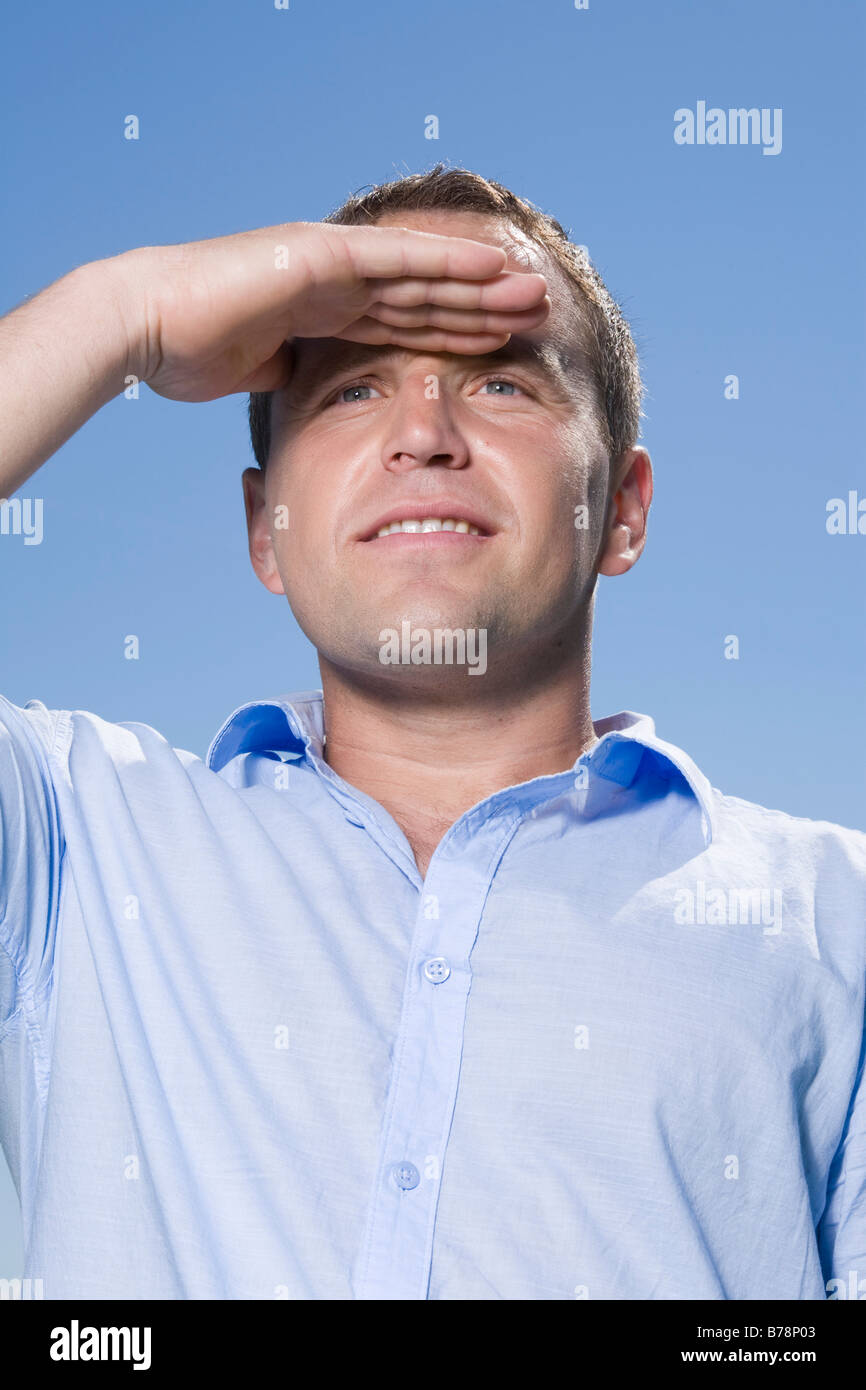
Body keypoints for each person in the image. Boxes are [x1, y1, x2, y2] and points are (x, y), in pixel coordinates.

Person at [0, 166, 863, 1301]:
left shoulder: (834, 919)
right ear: (264, 527)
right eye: (352, 389)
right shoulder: (70, 840)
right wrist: (131, 312)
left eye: (501, 384)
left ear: (622, 510)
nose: (423, 434)